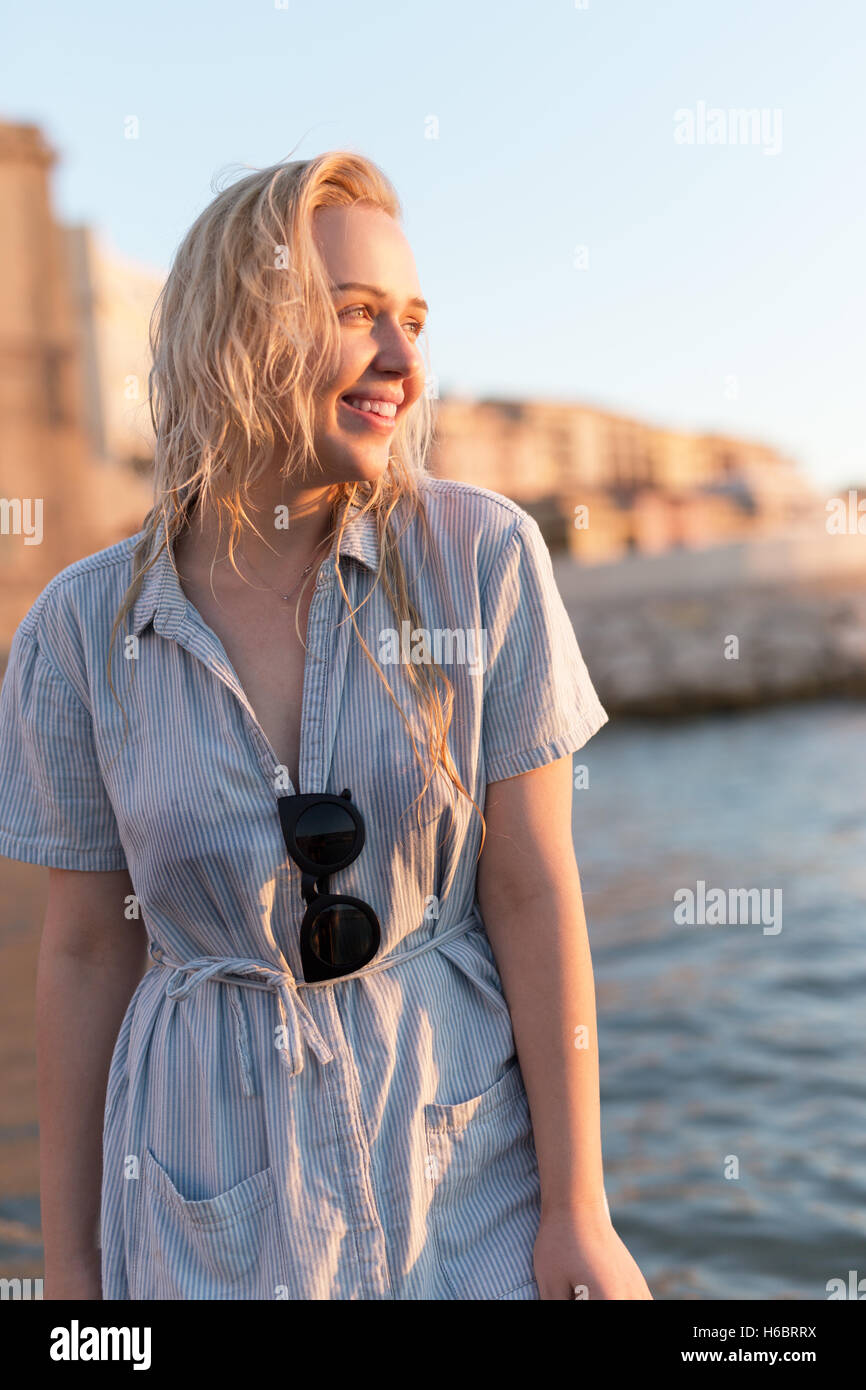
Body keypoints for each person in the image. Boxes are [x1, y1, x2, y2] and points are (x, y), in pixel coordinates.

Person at [0, 151, 651, 1300]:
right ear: (237, 329)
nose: (402, 360)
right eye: (354, 316)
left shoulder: (479, 559)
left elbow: (533, 890)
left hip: (463, 1169)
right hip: (204, 1203)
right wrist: (70, 1276)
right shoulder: (77, 630)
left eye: (412, 320)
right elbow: (89, 946)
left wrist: (576, 1211)